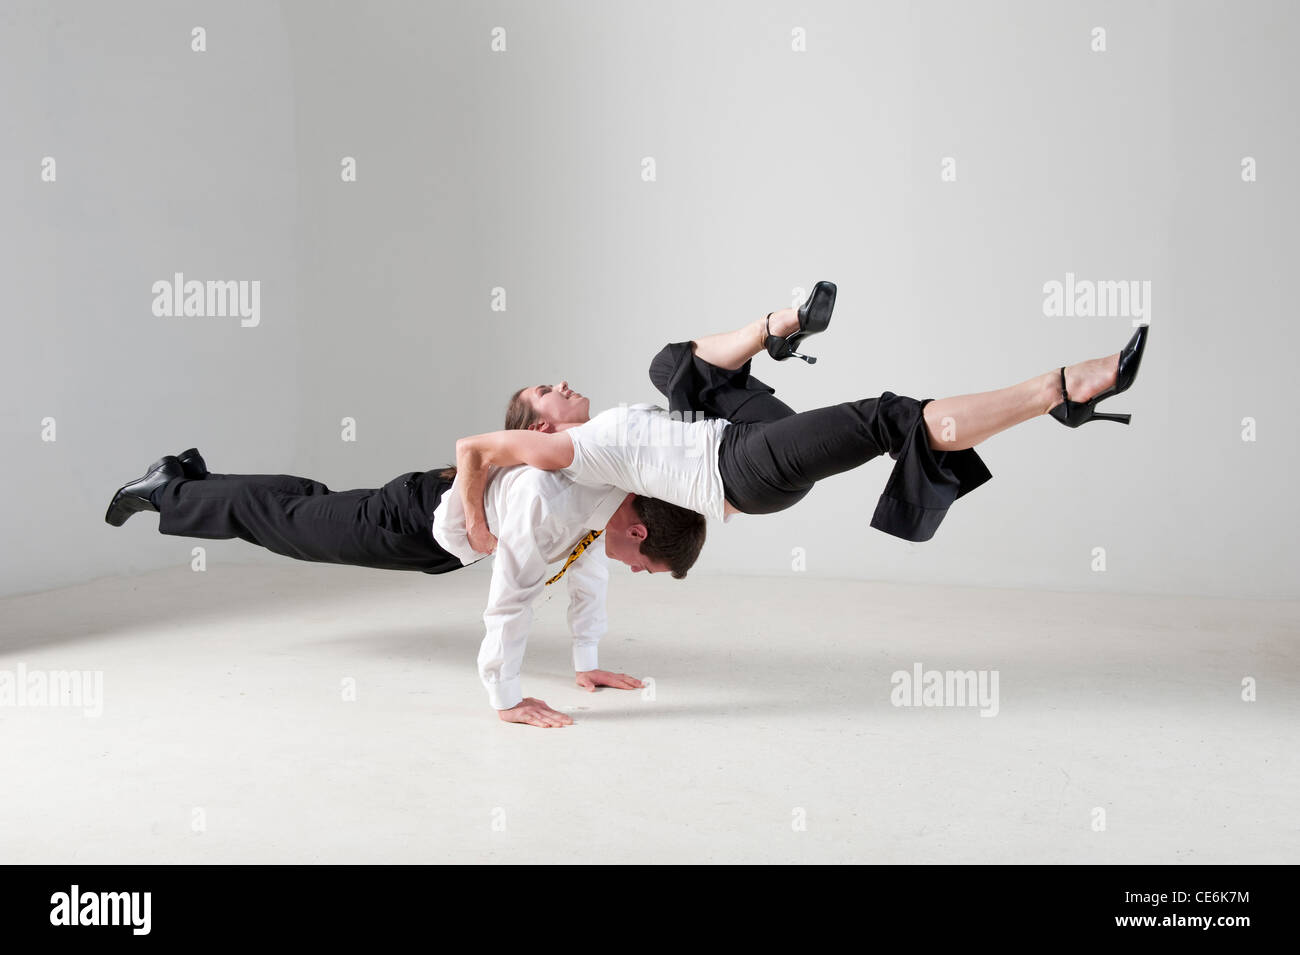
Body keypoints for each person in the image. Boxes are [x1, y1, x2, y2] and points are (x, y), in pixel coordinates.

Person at [453, 280, 1150, 553]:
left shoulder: (614, 427)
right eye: (547, 389)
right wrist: (481, 529)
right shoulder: (568, 451)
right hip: (740, 471)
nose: (563, 383)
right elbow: (474, 448)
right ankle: (1059, 390)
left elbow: (681, 377)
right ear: (539, 427)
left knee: (670, 365)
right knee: (887, 416)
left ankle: (780, 328)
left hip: (738, 434)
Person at [103, 446, 706, 729]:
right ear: (640, 527)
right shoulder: (553, 506)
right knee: (291, 528)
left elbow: (586, 572)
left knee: (309, 506)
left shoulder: (603, 501)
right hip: (410, 524)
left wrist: (586, 662)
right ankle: (165, 493)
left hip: (425, 517)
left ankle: (198, 478)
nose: (630, 568)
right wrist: (507, 698)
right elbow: (510, 603)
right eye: (643, 563)